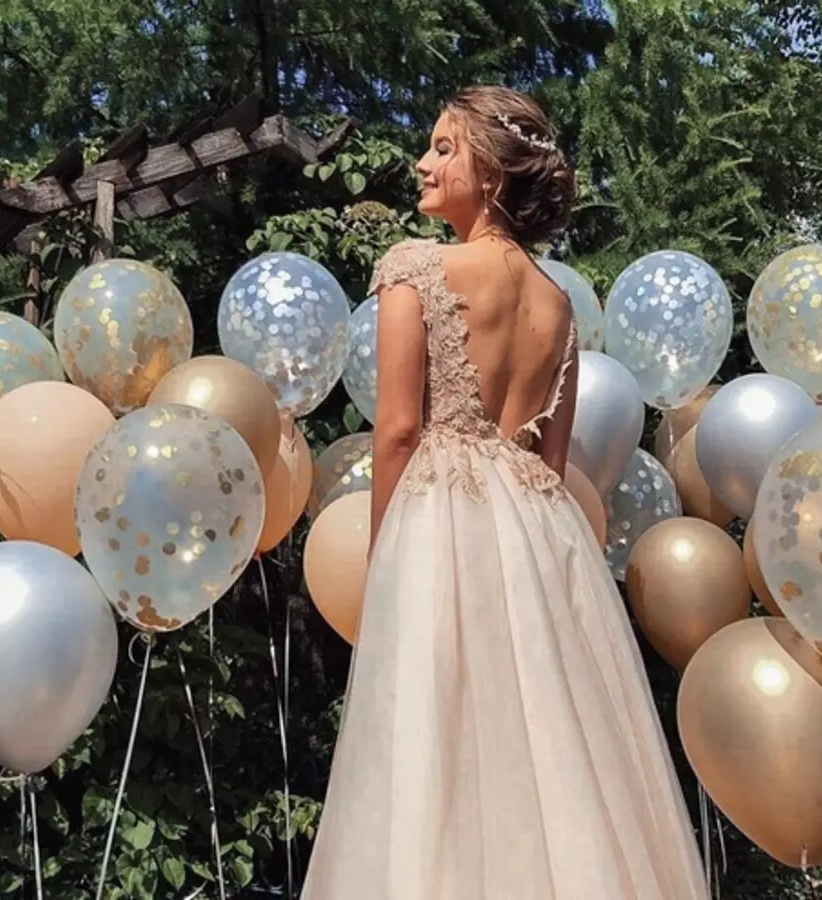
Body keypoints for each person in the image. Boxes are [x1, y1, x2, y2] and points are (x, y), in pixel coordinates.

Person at [301, 85, 710, 900]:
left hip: (437, 520)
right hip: (537, 529)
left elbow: (397, 432)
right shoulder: (559, 305)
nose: (423, 161)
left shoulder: (415, 267)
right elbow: (549, 461)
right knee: (549, 747)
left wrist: (385, 555)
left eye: (444, 148)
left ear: (490, 172)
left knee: (437, 742)